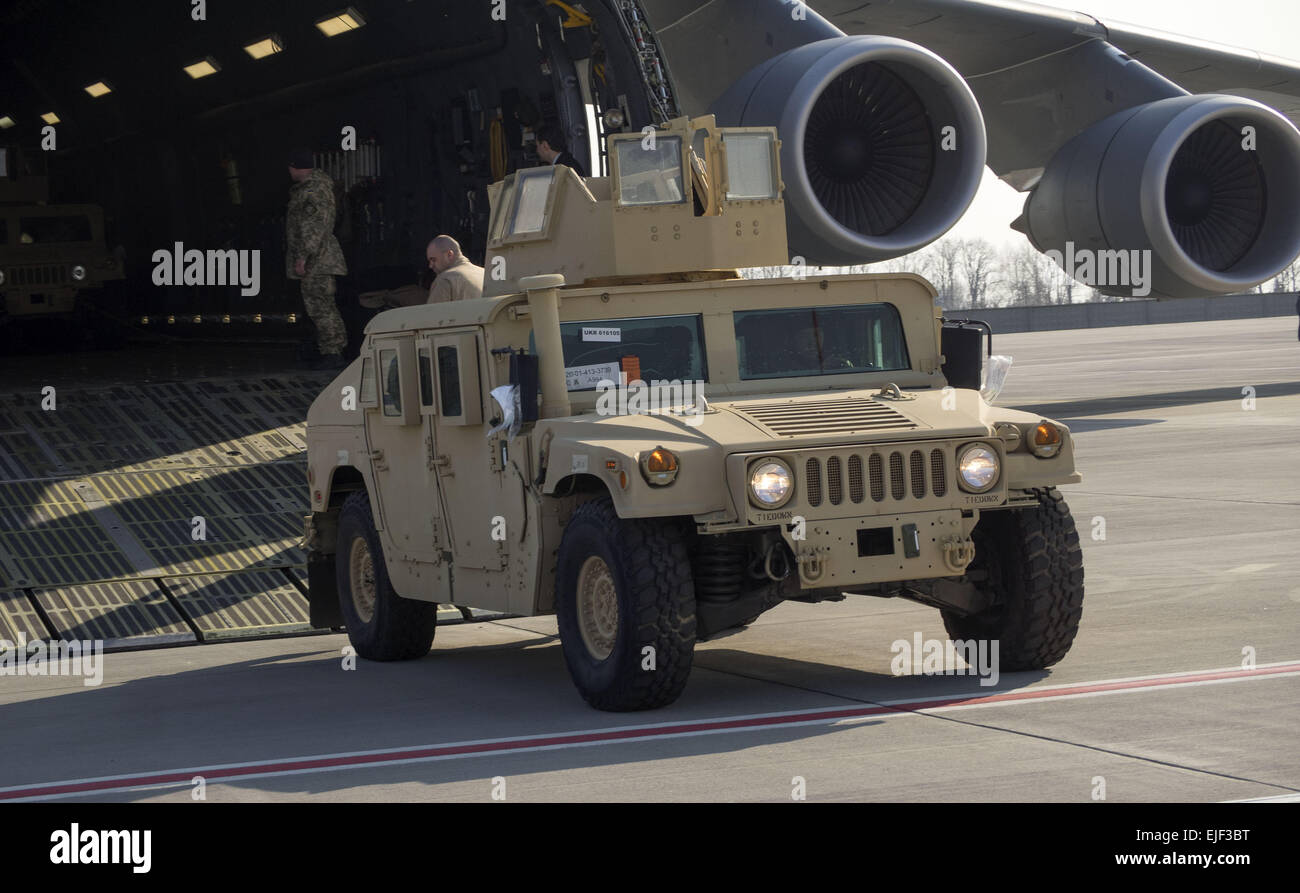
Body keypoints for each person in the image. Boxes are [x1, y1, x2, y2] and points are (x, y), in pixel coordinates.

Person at [286, 148, 349, 369]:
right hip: (319, 258)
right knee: (320, 306)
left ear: (294, 167)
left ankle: (333, 353)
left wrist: (303, 257)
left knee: (321, 307)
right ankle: (330, 351)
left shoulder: (312, 190)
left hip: (317, 260)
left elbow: (313, 227)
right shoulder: (316, 187)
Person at [426, 235, 485, 303]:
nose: (430, 266)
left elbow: (433, 313)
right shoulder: (485, 274)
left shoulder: (445, 280)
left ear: (449, 255)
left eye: (433, 260)